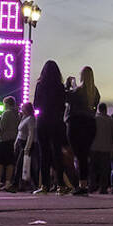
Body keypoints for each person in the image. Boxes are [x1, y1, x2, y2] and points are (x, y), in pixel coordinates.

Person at [32, 59, 75, 193]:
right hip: (56, 121)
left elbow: (36, 105)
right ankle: (60, 185)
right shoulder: (60, 86)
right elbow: (63, 105)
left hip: (43, 121)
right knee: (57, 153)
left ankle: (44, 185)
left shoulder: (40, 85)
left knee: (44, 153)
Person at [67, 64, 100, 195]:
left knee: (77, 155)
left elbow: (68, 98)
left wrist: (68, 85)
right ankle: (84, 184)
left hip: (77, 124)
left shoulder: (78, 90)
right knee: (84, 156)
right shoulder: (95, 92)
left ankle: (79, 184)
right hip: (91, 124)